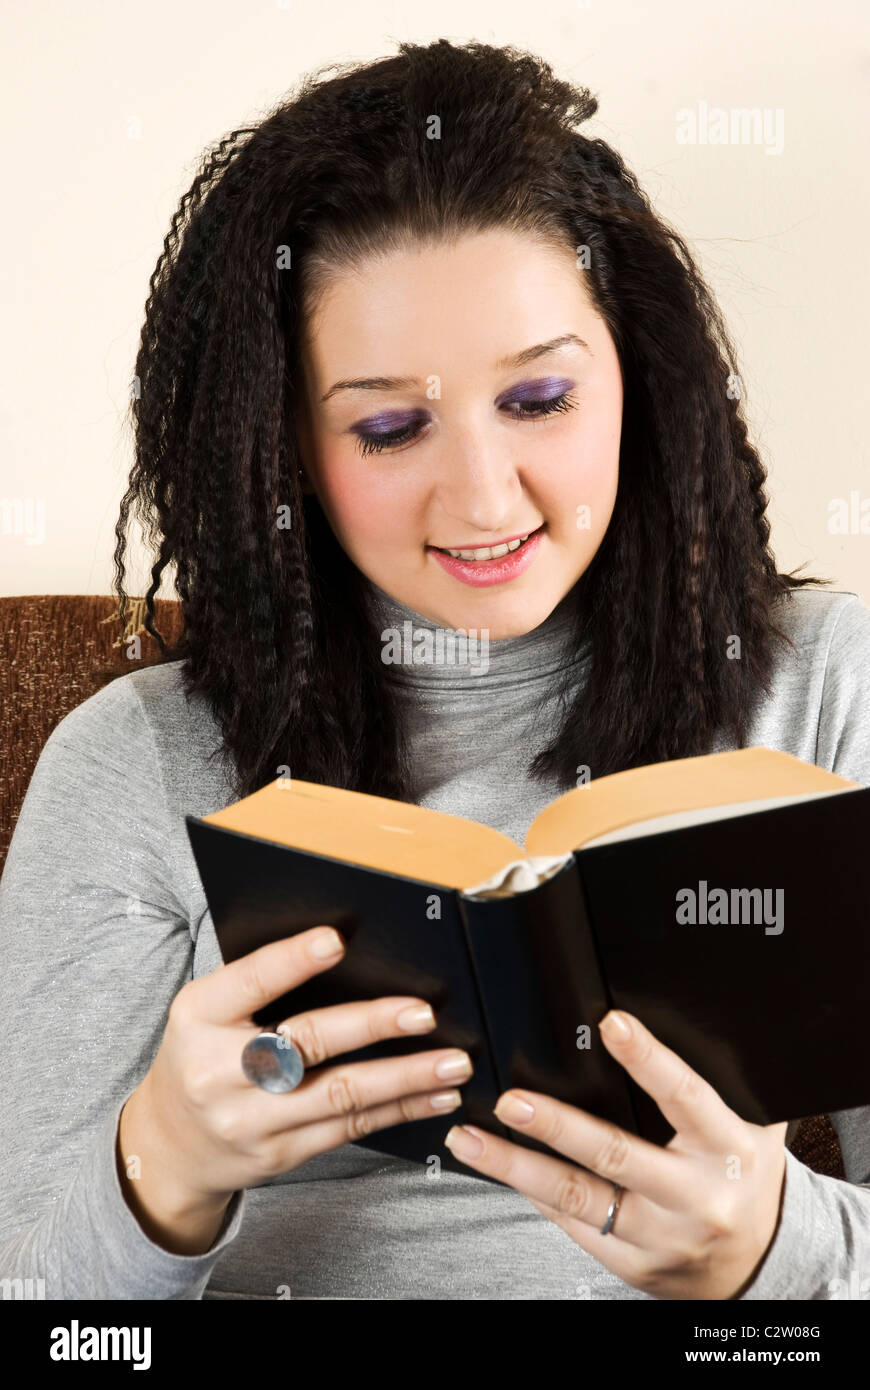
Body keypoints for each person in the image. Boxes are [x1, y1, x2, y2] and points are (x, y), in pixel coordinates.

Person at [1, 37, 868, 1301]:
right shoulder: (133, 765)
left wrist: (770, 1250)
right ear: (285, 446)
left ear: (639, 377)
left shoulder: (827, 688)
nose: (482, 494)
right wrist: (163, 1171)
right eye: (391, 426)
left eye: (540, 400)